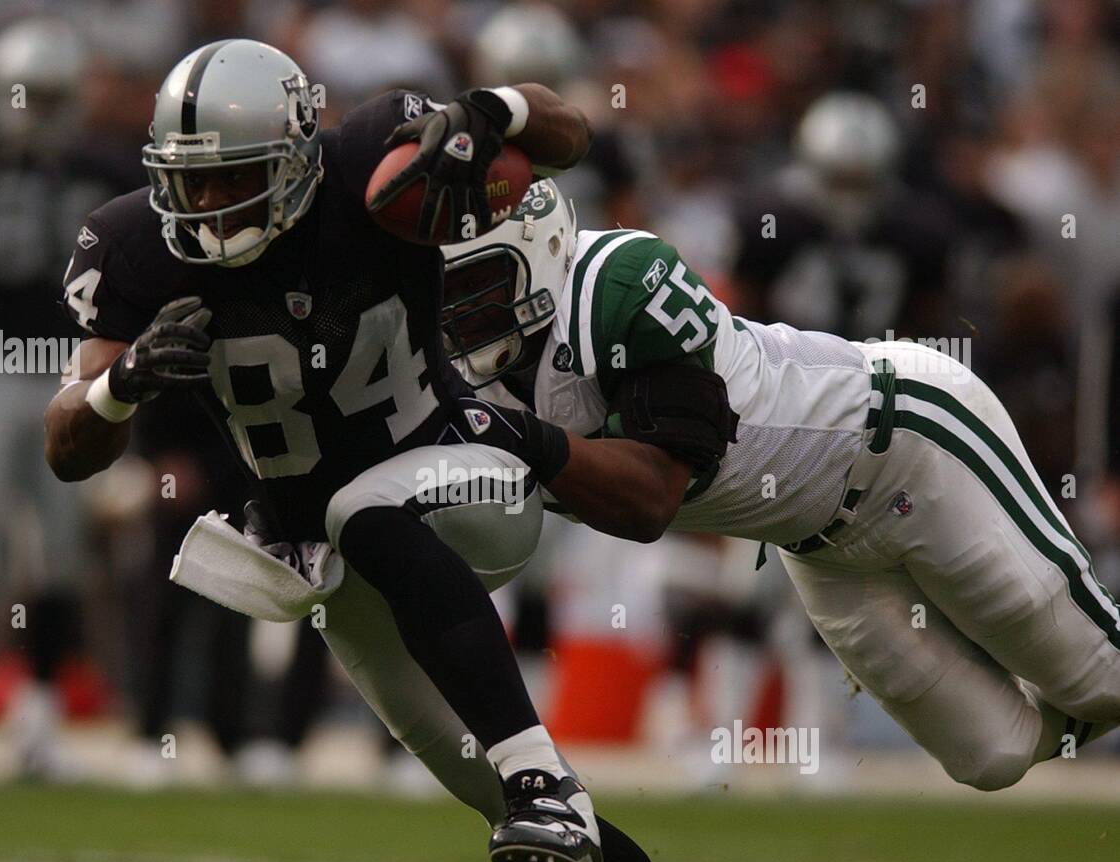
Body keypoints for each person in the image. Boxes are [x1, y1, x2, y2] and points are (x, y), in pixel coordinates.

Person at [44, 39, 762, 862]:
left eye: (238, 179)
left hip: (463, 471)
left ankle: (541, 771)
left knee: (366, 514)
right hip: (337, 561)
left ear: (300, 155)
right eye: (193, 184)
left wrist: (493, 109)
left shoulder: (371, 158)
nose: (210, 208)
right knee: (524, 818)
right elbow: (67, 448)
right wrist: (119, 389)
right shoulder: (130, 244)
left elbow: (568, 132)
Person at [441, 176, 1120, 793]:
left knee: (1099, 675)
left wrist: (511, 436)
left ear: (545, 248)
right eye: (450, 292)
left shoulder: (618, 284)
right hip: (814, 542)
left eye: (481, 284)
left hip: (907, 441)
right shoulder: (458, 371)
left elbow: (650, 498)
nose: (462, 311)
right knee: (993, 756)